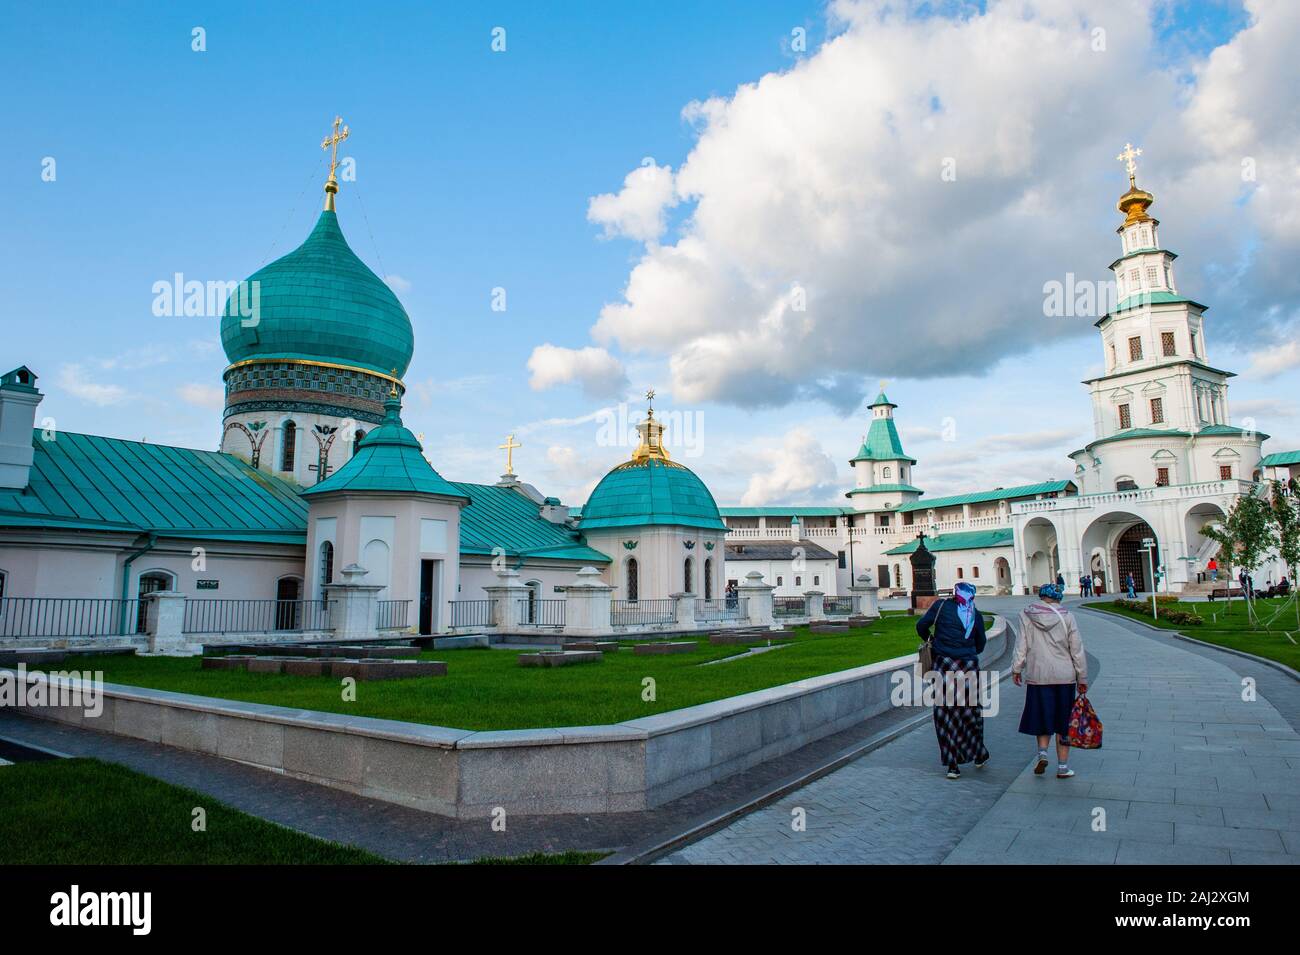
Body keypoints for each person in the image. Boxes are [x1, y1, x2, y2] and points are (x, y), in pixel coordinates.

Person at [1012, 584, 1088, 779]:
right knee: (1064, 720)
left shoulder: (1027, 614)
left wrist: (1017, 668)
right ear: (1058, 598)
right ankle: (1063, 767)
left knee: (1042, 716)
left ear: (1041, 596)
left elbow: (1021, 644)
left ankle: (1042, 753)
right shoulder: (1068, 616)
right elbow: (1077, 649)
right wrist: (1082, 677)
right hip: (1065, 675)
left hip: (1039, 675)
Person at [916, 581, 989, 779]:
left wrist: (932, 639)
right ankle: (978, 752)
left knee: (945, 713)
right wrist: (966, 650)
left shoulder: (940, 607)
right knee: (971, 712)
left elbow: (921, 626)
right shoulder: (976, 615)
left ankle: (952, 764)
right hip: (967, 666)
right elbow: (981, 644)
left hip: (944, 664)